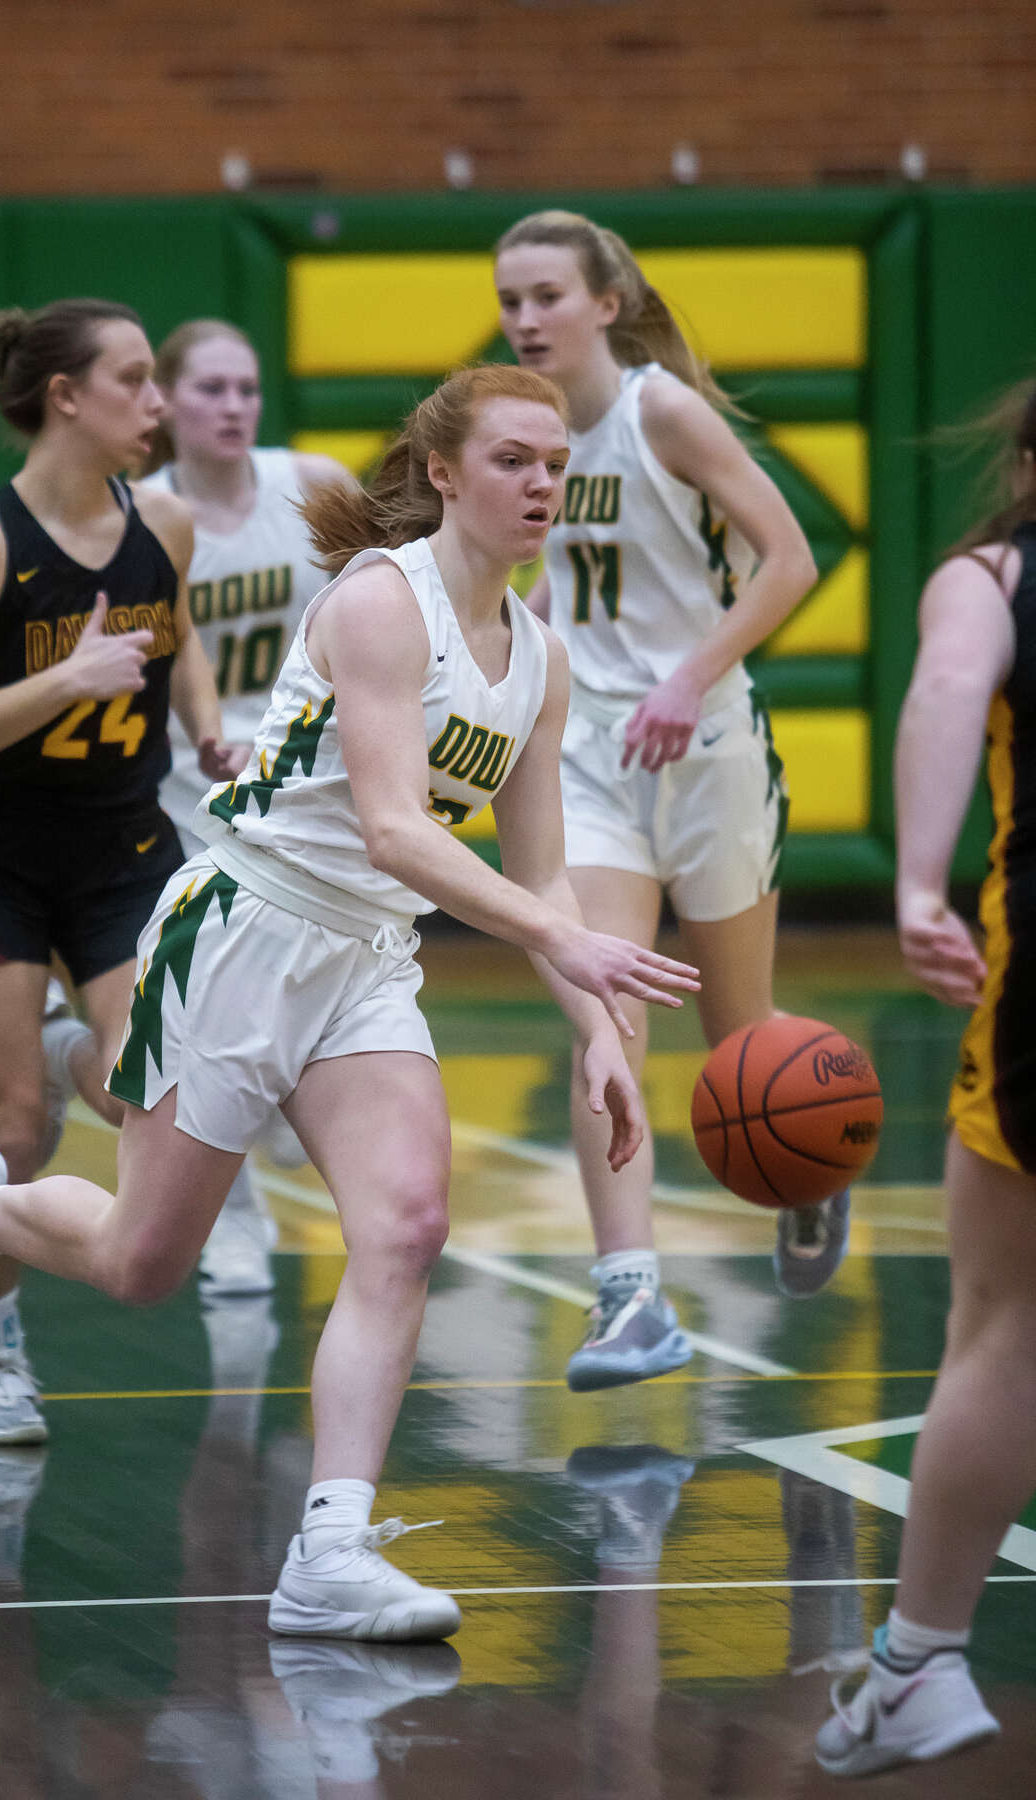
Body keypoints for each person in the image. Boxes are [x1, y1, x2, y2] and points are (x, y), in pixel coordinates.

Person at [0, 363, 700, 1642]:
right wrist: (560, 943)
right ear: (443, 474)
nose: (543, 485)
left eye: (557, 464)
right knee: (143, 1265)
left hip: (365, 959)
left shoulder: (543, 658)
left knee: (406, 1228)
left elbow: (541, 875)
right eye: (514, 461)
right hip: (245, 934)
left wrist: (600, 1034)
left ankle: (330, 1552)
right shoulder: (381, 601)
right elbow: (396, 827)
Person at [493, 210, 831, 1396]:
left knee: (740, 1042)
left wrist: (688, 677)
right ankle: (629, 1294)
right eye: (510, 300)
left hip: (710, 747)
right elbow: (557, 586)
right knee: (606, 1017)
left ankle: (807, 1172)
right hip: (591, 754)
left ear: (606, 303)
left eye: (545, 295)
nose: (524, 318)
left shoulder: (662, 415)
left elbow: (793, 560)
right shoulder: (534, 434)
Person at [0, 298, 240, 1448]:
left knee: (145, 1098)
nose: (159, 402)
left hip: (123, 851)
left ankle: (65, 1048)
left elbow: (177, 634)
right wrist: (62, 682)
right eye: (135, 379)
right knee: (12, 1131)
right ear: (66, 397)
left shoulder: (166, 522)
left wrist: (205, 726)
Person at [813, 382, 1036, 1775]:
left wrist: (913, 885)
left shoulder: (993, 576)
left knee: (1006, 1323)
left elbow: (951, 686)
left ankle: (917, 1664)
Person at [141, 318, 352, 1295]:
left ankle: (289, 1097)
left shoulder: (312, 485)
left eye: (247, 388)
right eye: (212, 389)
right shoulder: (144, 513)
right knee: (198, 1007)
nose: (234, 407)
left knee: (302, 981)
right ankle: (233, 1216)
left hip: (305, 780)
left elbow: (401, 592)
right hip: (182, 787)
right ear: (166, 402)